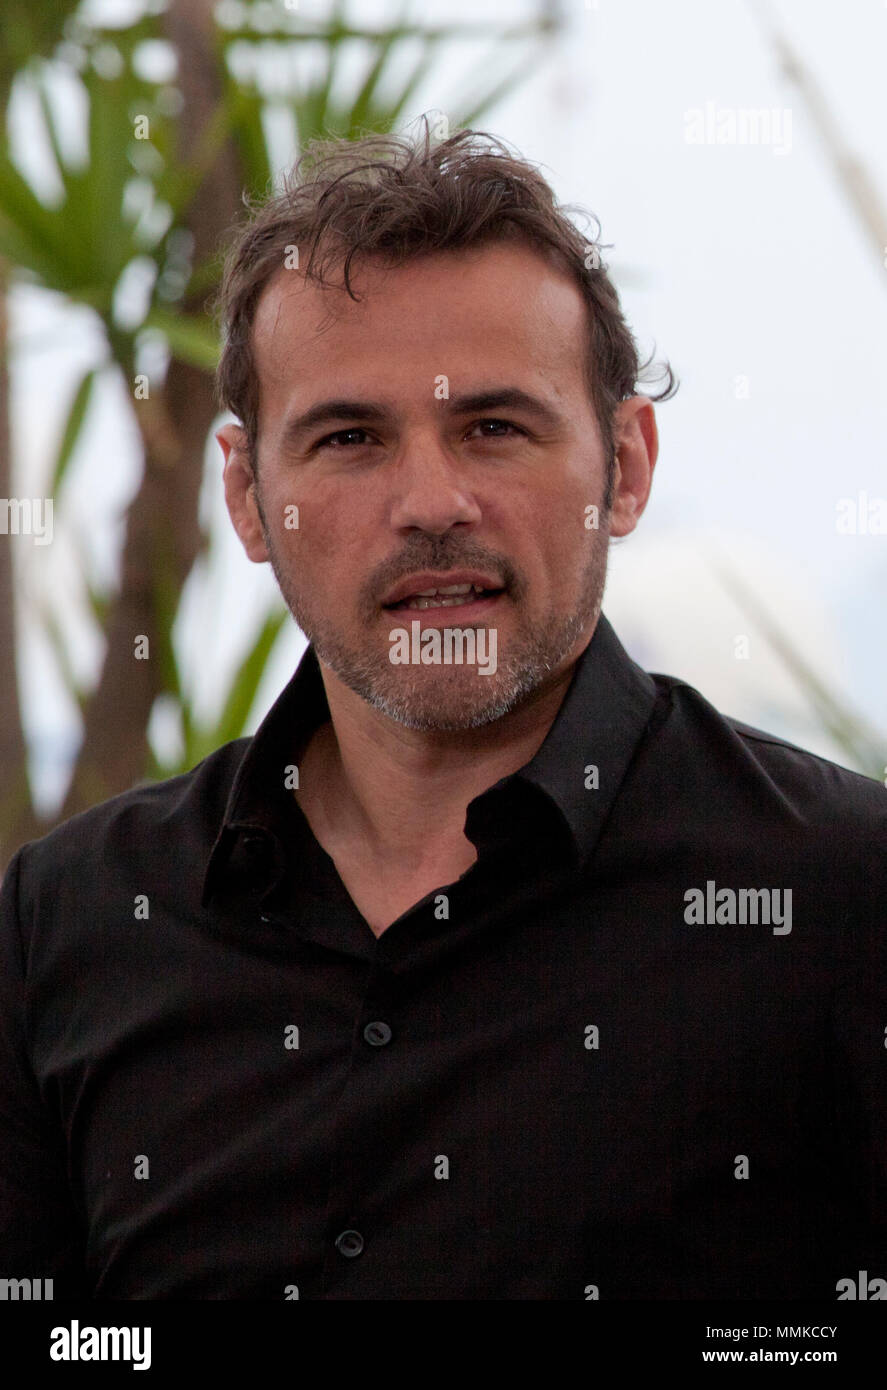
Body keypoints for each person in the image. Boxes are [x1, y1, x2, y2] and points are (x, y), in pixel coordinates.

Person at [1, 123, 884, 1302]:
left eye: (493, 426)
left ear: (624, 467)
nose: (431, 502)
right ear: (249, 498)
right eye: (350, 438)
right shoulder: (65, 925)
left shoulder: (842, 901)